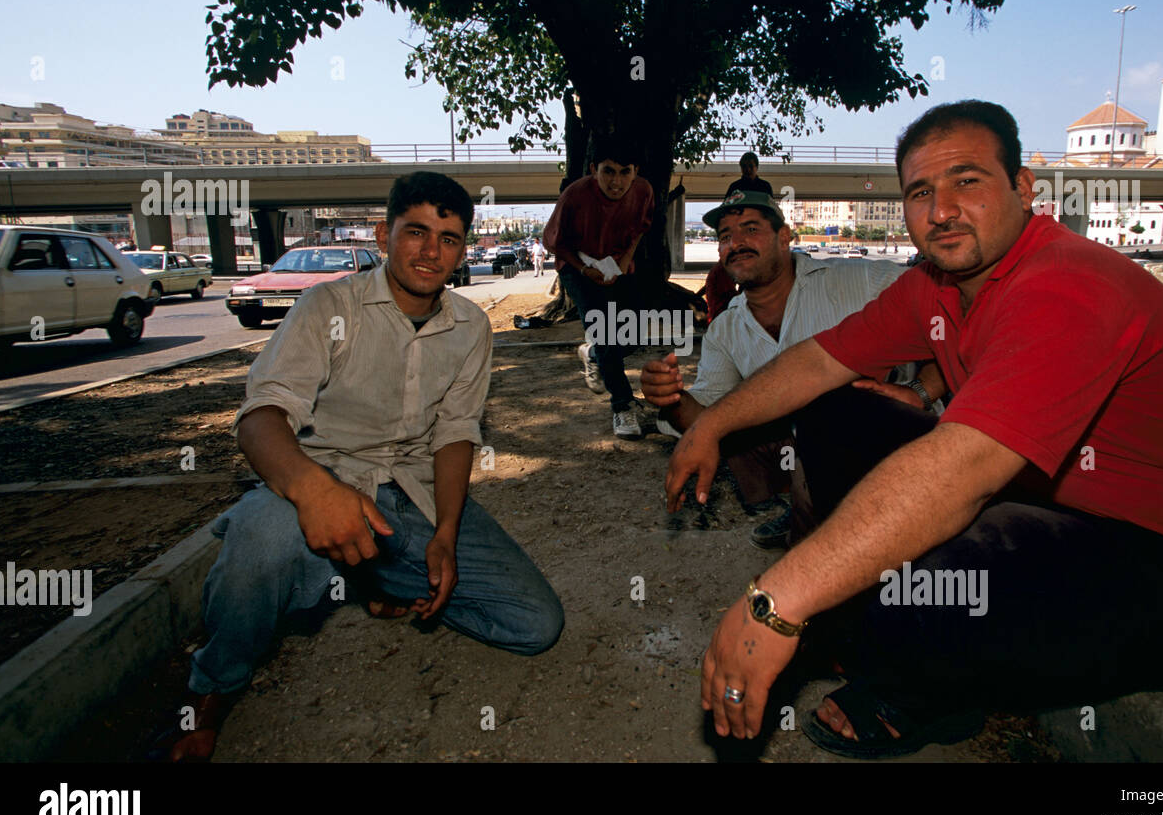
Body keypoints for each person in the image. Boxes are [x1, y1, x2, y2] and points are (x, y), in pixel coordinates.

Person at [666, 100, 1163, 758]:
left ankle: (928, 689)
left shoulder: (1067, 284)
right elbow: (820, 360)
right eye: (920, 191)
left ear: (1022, 188)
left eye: (968, 181)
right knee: (835, 410)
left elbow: (963, 469)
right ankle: (866, 625)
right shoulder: (938, 283)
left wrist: (775, 599)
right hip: (1058, 506)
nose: (942, 209)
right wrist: (712, 425)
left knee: (921, 583)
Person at [160, 171, 564, 762]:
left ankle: (369, 579)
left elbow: (455, 434)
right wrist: (313, 492)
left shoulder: (472, 326)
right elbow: (260, 418)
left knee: (536, 624)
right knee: (261, 538)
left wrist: (446, 534)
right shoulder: (327, 306)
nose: (432, 252)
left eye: (449, 239)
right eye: (416, 232)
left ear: (462, 251)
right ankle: (212, 688)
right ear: (383, 235)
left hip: (413, 496)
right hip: (325, 485)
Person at [641, 190, 915, 549]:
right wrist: (671, 398)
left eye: (750, 229)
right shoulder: (726, 328)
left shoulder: (859, 280)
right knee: (738, 414)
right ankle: (807, 505)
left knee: (831, 405)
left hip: (898, 436)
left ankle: (831, 528)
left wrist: (926, 388)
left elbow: (945, 302)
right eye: (725, 237)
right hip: (807, 450)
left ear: (784, 237)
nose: (735, 243)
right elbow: (705, 415)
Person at [543, 136, 655, 439]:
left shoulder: (643, 190)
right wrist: (584, 269)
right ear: (594, 169)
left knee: (630, 337)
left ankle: (593, 354)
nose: (616, 182)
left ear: (635, 171)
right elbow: (554, 243)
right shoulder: (575, 196)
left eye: (624, 172)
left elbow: (640, 230)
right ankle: (622, 407)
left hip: (617, 264)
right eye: (608, 171)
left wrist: (622, 263)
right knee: (606, 332)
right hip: (577, 268)